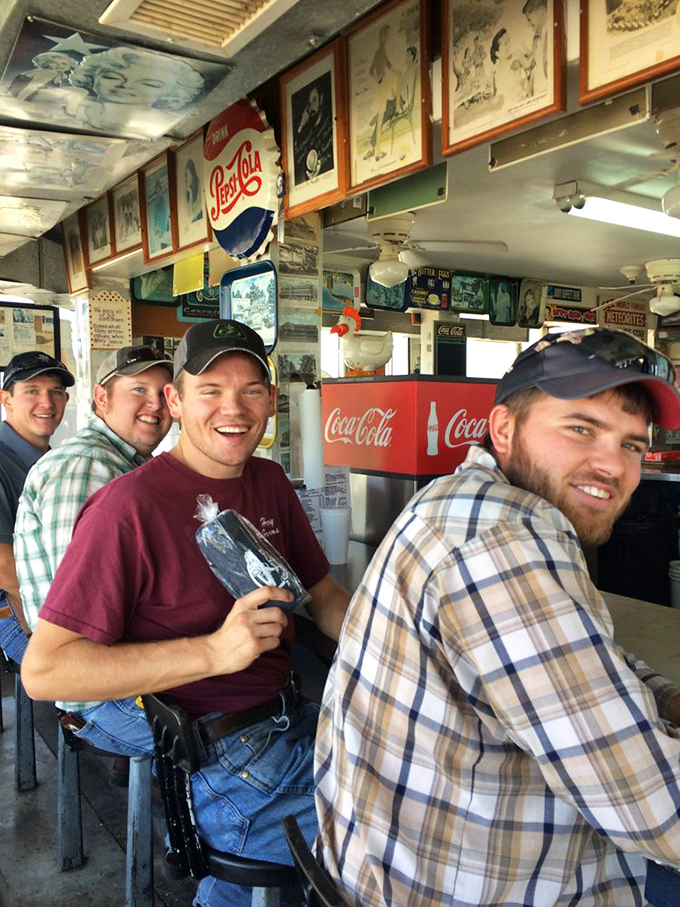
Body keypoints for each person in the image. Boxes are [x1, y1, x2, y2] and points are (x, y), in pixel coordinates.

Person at [315, 327, 680, 907]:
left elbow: (579, 654)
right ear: (504, 429)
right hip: (454, 883)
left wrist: (662, 697)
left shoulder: (460, 498)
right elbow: (656, 808)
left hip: (388, 856)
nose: (613, 465)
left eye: (632, 445)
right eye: (581, 428)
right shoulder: (501, 540)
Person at [22, 319, 351, 907]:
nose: (235, 407)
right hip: (220, 757)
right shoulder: (127, 507)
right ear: (175, 401)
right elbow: (46, 672)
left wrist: (398, 641)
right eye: (211, 390)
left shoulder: (268, 479)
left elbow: (321, 595)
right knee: (410, 822)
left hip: (289, 719)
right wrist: (212, 652)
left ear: (272, 402)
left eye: (252, 389)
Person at [13, 345, 173, 757]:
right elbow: (82, 615)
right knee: (257, 711)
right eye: (138, 389)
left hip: (115, 682)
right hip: (107, 699)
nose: (154, 405)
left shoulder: (124, 462)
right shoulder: (90, 467)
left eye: (163, 392)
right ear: (102, 399)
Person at [0, 351, 74, 663]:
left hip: (56, 596)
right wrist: (72, 619)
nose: (47, 403)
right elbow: (4, 567)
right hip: (11, 607)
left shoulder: (56, 463)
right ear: (7, 400)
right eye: (32, 391)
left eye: (55, 392)